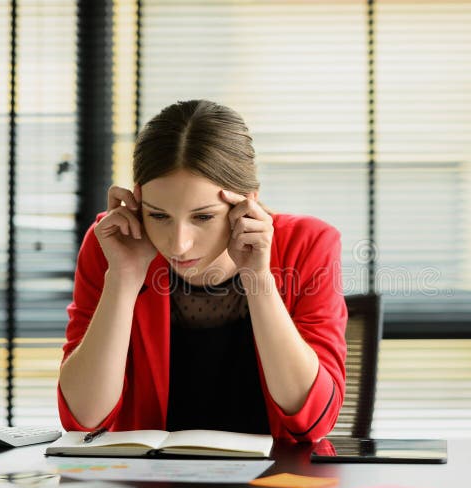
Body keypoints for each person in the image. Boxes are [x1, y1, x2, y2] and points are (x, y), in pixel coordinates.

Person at [57, 99, 347, 442]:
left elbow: (313, 421)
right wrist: (123, 277)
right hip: (147, 472)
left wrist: (258, 278)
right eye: (158, 215)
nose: (179, 244)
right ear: (137, 202)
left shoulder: (308, 243)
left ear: (248, 202)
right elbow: (84, 418)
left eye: (203, 216)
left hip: (276, 473)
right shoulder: (114, 242)